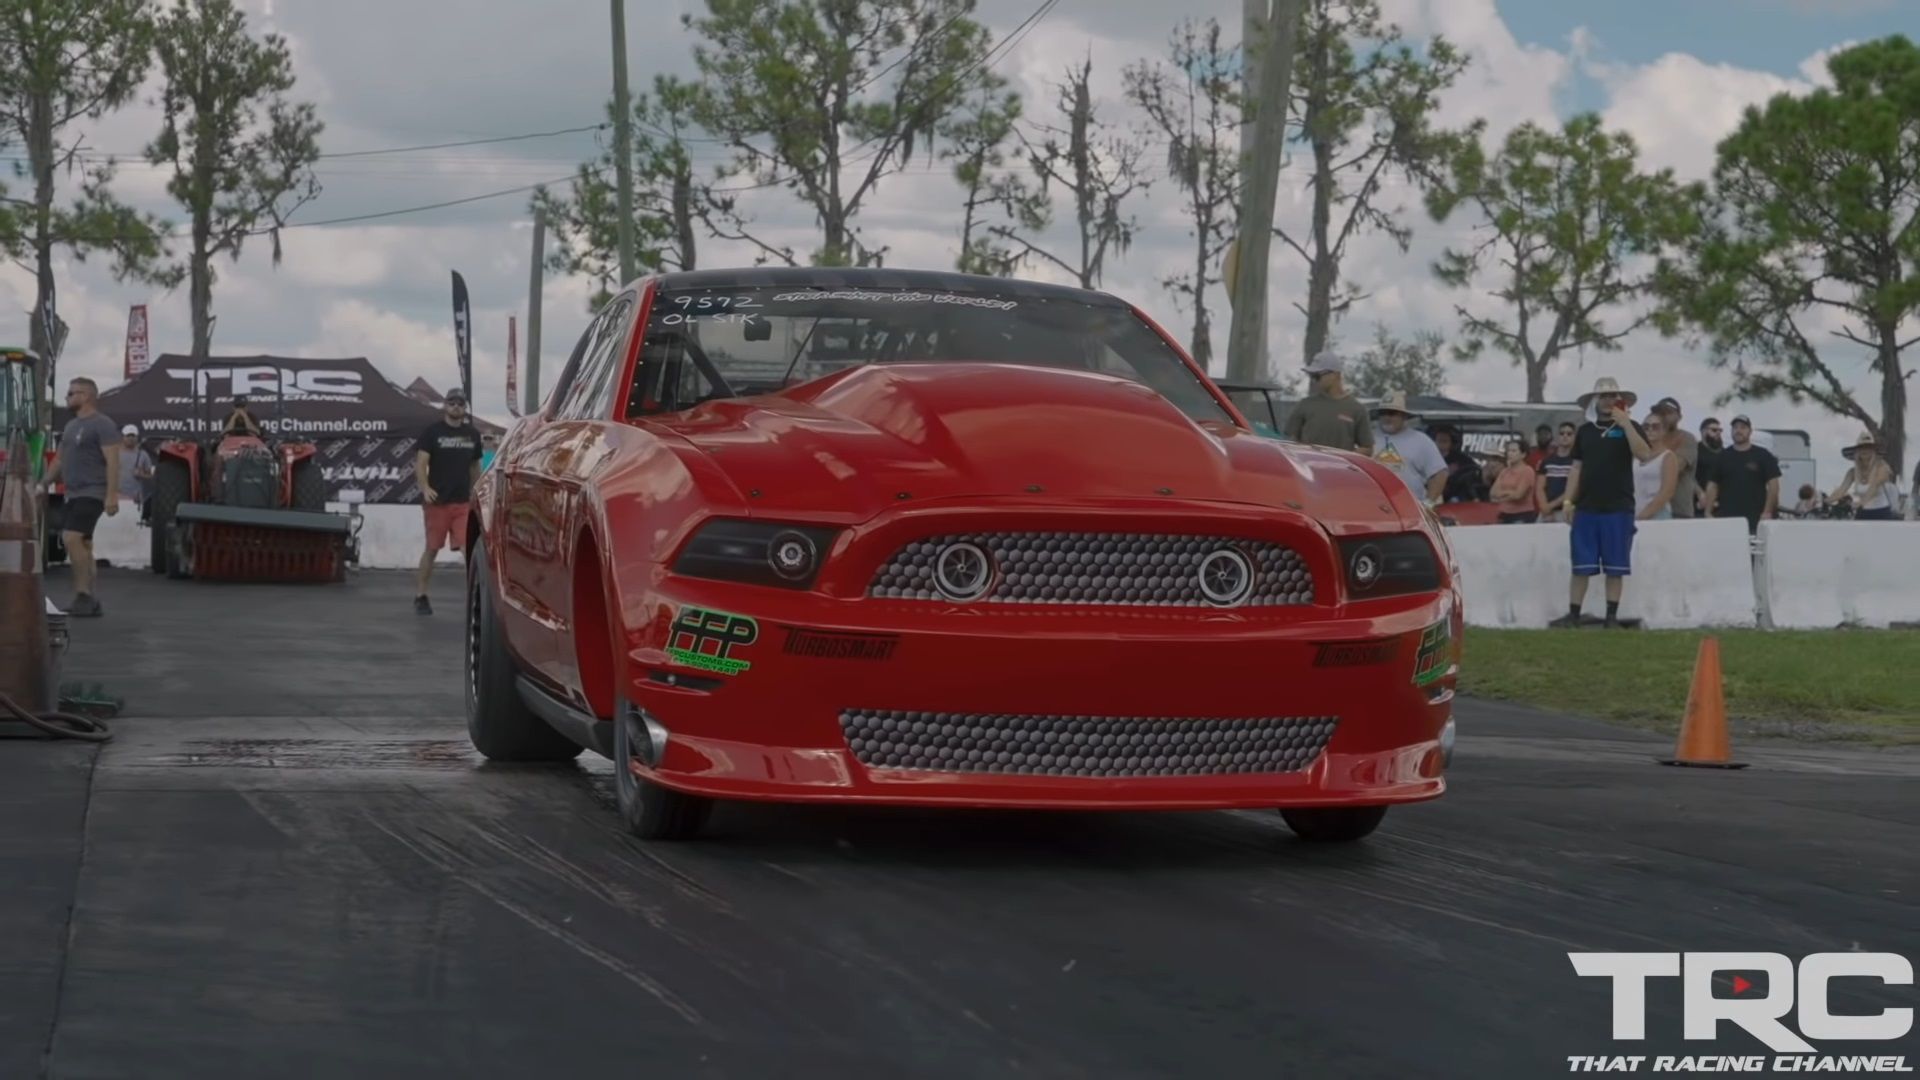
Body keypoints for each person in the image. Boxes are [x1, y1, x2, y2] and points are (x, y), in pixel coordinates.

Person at [1550, 377, 1660, 629]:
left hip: (1618, 506)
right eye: (1604, 396)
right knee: (1581, 564)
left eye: (1613, 396)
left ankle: (1611, 617)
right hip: (1587, 506)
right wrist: (1568, 500)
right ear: (1595, 401)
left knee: (1616, 565)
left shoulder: (1629, 427)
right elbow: (1576, 468)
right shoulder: (1586, 432)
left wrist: (1626, 424)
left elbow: (1644, 454)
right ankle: (1574, 615)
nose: (1609, 400)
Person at [39, 377, 121, 617]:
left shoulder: (102, 424)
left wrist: (111, 496)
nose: (67, 397)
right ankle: (90, 600)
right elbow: (59, 460)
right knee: (83, 544)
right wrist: (42, 484)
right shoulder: (72, 426)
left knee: (71, 538)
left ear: (86, 396)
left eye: (72, 393)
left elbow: (113, 462)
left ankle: (82, 595)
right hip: (72, 494)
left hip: (92, 492)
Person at [412, 388, 483, 614]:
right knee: (432, 549)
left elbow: (474, 466)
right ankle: (421, 596)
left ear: (465, 408)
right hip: (438, 502)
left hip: (462, 504)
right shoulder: (432, 433)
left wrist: (476, 491)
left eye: (460, 404)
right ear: (445, 406)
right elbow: (421, 463)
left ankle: (476, 600)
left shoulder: (472, 435)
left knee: (468, 550)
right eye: (452, 403)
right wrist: (425, 487)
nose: (456, 407)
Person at [1283, 350, 1373, 454]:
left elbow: (1367, 448)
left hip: (1340, 469)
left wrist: (1345, 457)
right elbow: (1288, 440)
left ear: (1335, 374)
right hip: (1308, 467)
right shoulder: (1304, 405)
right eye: (1312, 376)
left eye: (1317, 376)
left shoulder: (1357, 409)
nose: (1314, 380)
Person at [1703, 415, 1780, 534]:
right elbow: (1712, 485)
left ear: (1750, 431)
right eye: (1735, 427)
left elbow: (1774, 485)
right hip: (1727, 520)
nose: (1738, 431)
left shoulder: (1763, 455)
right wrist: (1708, 512)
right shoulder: (1722, 456)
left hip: (1756, 521)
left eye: (1743, 427)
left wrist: (1767, 511)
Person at [1367, 391, 1447, 504]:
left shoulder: (1421, 440)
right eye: (1383, 413)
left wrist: (1429, 503)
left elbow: (1439, 473)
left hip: (1409, 509)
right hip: (1373, 505)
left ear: (1403, 416)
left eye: (1392, 413)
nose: (1387, 417)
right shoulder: (1367, 438)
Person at [1828, 432, 1897, 520]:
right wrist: (1826, 501)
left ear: (1874, 451)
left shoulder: (1882, 468)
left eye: (1869, 447)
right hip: (1863, 512)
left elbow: (1874, 488)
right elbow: (1841, 491)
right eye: (1861, 448)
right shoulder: (1852, 472)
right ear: (1857, 451)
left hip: (1881, 513)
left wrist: (1861, 502)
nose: (1865, 450)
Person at [1649, 398, 1698, 518]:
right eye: (1660, 413)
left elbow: (1675, 467)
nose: (1664, 417)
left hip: (1679, 510)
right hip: (1649, 508)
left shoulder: (1687, 438)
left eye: (1669, 413)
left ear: (1679, 417)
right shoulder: (1649, 438)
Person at [1632, 410, 1680, 520]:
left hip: (1658, 515)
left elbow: (1667, 492)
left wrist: (1645, 514)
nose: (1650, 430)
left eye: (1655, 426)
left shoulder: (1668, 457)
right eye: (1646, 426)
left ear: (1664, 430)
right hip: (1634, 514)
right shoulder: (1635, 457)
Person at [1488, 437, 1539, 523]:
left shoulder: (1527, 471)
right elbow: (1493, 493)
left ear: (1523, 454)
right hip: (1504, 514)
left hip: (1522, 515)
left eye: (1514, 451)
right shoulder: (1504, 471)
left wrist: (1502, 494)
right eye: (1508, 451)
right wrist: (1509, 493)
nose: (1510, 454)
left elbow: (1518, 495)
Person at [1535, 421, 1577, 523]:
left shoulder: (1577, 462)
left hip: (1566, 512)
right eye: (1562, 433)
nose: (1565, 436)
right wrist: (1544, 508)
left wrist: (1550, 506)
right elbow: (1539, 487)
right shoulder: (1547, 461)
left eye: (1569, 434)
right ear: (1557, 436)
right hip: (1545, 512)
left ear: (1575, 437)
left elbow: (1575, 489)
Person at [117, 424, 154, 509]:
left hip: (135, 500)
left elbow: (151, 476)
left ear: (137, 437)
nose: (131, 438)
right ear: (123, 437)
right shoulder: (115, 454)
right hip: (116, 497)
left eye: (133, 436)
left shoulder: (143, 455)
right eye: (128, 435)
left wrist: (141, 474)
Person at [1696, 416, 1724, 516]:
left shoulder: (1724, 453)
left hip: (1720, 506)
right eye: (1714, 430)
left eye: (1720, 430)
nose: (1718, 433)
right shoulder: (1695, 450)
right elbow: (1688, 476)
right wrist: (1700, 494)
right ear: (1703, 431)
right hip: (1698, 505)